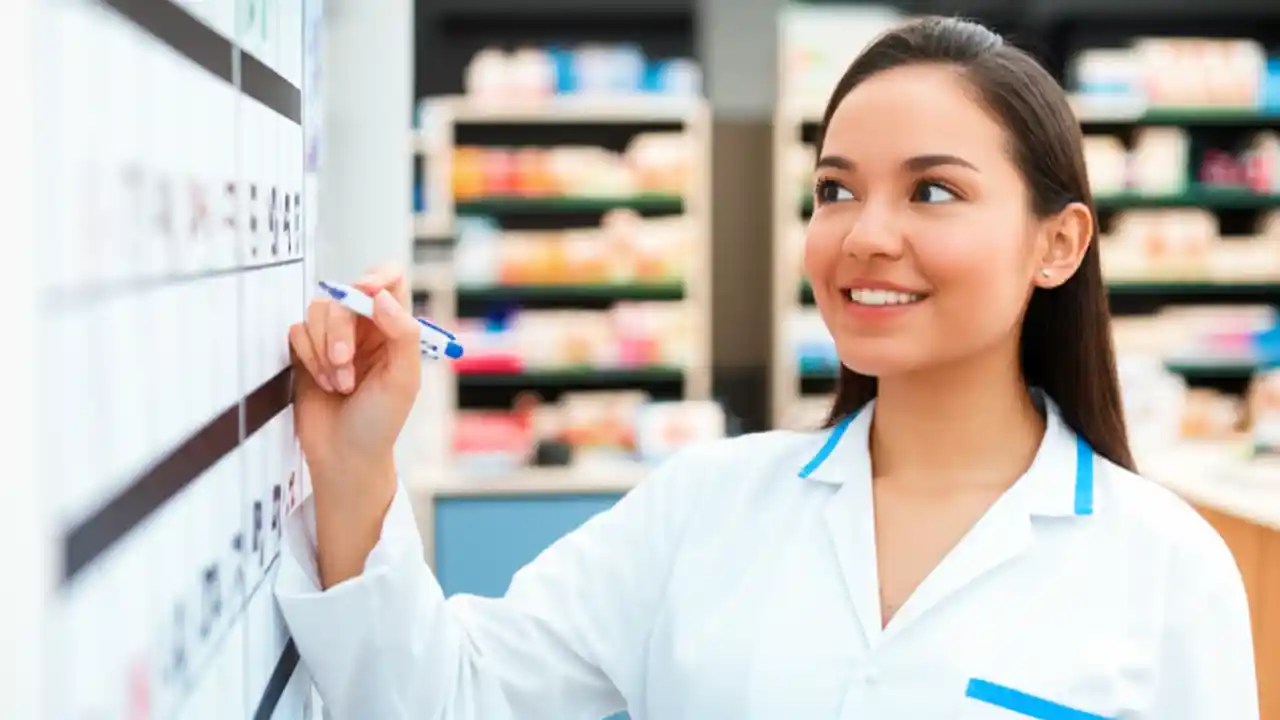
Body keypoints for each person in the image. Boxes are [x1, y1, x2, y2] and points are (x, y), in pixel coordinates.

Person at [276, 16, 1259, 720]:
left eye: (930, 190)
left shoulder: (1165, 568)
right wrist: (358, 463)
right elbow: (447, 699)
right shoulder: (704, 505)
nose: (864, 235)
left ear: (1057, 243)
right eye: (835, 189)